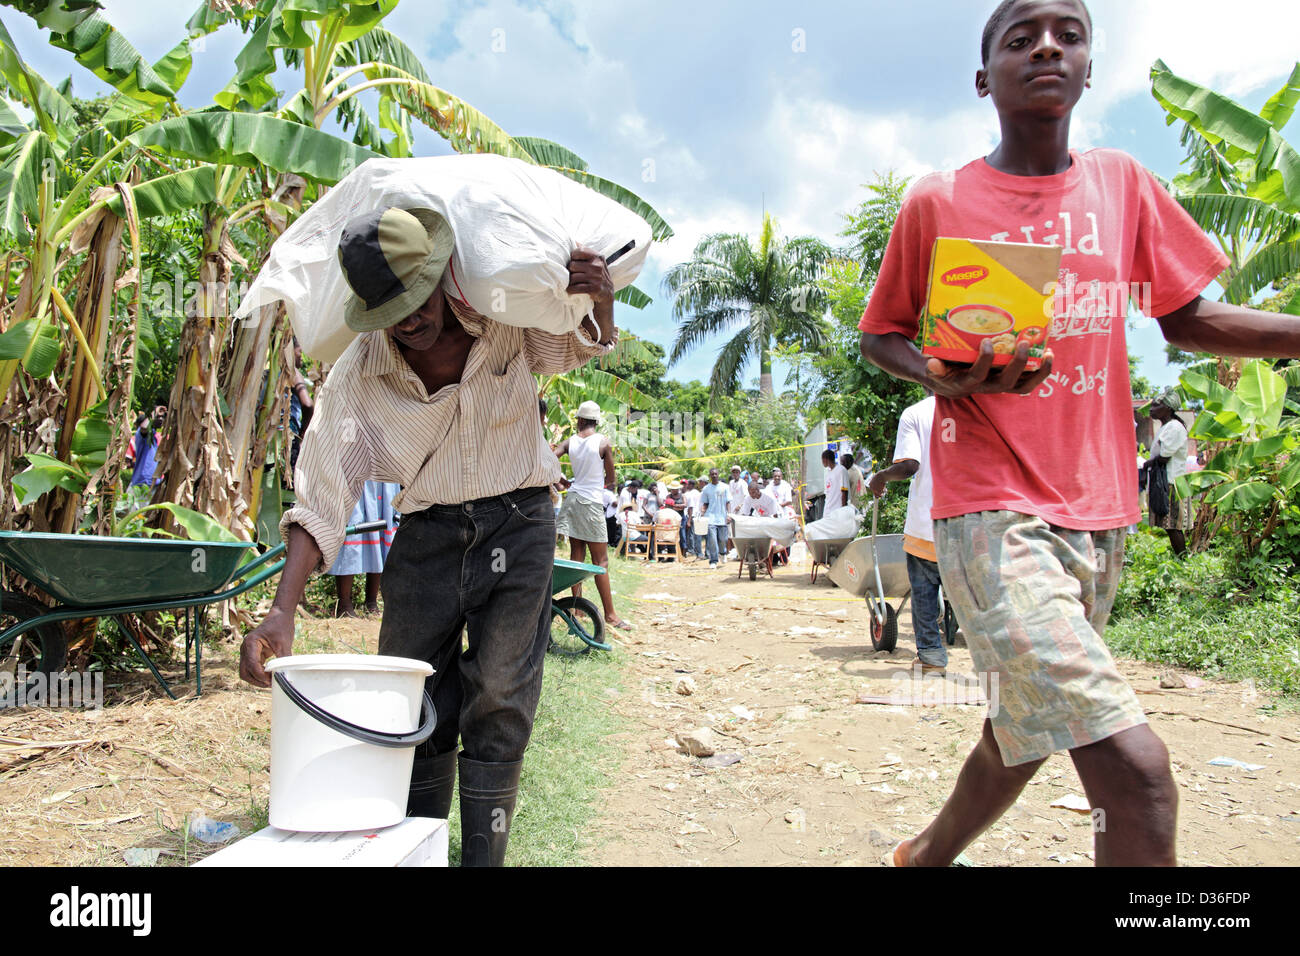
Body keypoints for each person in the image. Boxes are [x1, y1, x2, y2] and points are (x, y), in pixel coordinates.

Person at [859, 0, 1300, 868]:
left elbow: (1187, 317)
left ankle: (921, 857)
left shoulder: (1123, 183)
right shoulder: (940, 199)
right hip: (990, 510)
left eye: (1069, 34)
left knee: (1020, 729)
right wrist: (935, 373)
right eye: (1020, 38)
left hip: (1099, 510)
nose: (1048, 47)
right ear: (985, 78)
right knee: (1136, 773)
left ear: (1091, 69)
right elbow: (883, 334)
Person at [238, 206, 620, 866]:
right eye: (389, 308)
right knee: (413, 700)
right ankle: (417, 850)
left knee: (500, 693)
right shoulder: (359, 377)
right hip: (428, 538)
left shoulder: (504, 319)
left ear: (445, 273)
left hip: (521, 522)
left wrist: (601, 307)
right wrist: (280, 612)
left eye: (417, 298)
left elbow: (571, 346)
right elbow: (322, 488)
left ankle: (481, 860)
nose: (408, 319)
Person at [868, 394, 946, 672]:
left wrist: (880, 477)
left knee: (924, 593)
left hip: (928, 521)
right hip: (972, 519)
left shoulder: (916, 413)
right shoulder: (978, 403)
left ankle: (931, 658)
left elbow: (909, 465)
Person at [553, 400, 633, 629]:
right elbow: (611, 479)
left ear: (578, 420)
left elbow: (550, 458)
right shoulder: (603, 442)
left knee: (576, 555)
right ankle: (610, 615)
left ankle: (577, 609)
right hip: (590, 503)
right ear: (596, 421)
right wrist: (605, 484)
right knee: (601, 560)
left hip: (573, 500)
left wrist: (562, 480)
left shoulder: (570, 441)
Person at [328, 479, 400, 617]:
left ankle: (371, 601)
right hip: (356, 474)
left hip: (384, 475)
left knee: (382, 528)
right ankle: (344, 604)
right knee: (352, 529)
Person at [1145, 388, 1191, 557]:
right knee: (1170, 525)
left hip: (1172, 482)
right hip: (1166, 481)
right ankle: (1182, 558)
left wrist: (1146, 464)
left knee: (1173, 526)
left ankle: (1183, 559)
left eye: (1156, 405)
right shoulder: (1166, 427)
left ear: (1168, 408)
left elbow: (1164, 457)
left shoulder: (1174, 427)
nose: (1151, 409)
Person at [127, 405, 166, 489]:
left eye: (162, 417)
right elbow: (144, 427)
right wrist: (154, 413)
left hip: (155, 485)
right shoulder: (143, 435)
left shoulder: (158, 436)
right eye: (158, 417)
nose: (160, 420)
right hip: (141, 484)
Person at [699, 467, 730, 568]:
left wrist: (729, 514)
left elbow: (728, 502)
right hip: (710, 517)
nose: (714, 475)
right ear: (710, 475)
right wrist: (702, 512)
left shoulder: (725, 487)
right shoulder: (706, 489)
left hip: (722, 517)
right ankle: (713, 560)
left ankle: (723, 552)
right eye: (712, 474)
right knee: (712, 540)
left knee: (723, 539)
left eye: (715, 474)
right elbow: (705, 503)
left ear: (718, 474)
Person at [821, 449, 848, 517]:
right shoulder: (828, 474)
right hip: (828, 511)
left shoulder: (841, 470)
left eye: (822, 460)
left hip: (838, 511)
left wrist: (843, 510)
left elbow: (844, 491)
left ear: (826, 459)